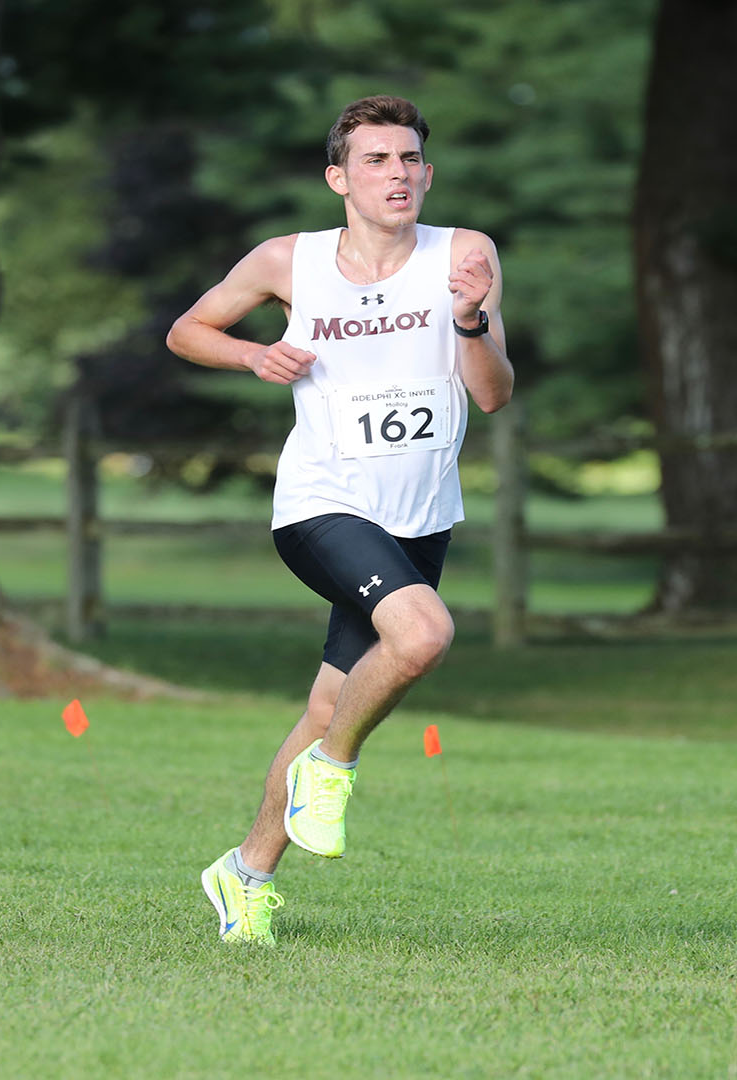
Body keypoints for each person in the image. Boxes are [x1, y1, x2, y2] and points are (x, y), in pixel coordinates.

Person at [165, 95, 513, 945]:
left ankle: (243, 874)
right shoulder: (290, 260)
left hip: (421, 514)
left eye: (408, 160)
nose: (397, 174)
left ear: (426, 173)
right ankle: (332, 771)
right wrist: (254, 351)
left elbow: (493, 393)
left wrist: (468, 320)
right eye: (375, 161)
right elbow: (187, 329)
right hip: (324, 503)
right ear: (338, 179)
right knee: (423, 635)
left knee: (332, 700)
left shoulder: (464, 254)